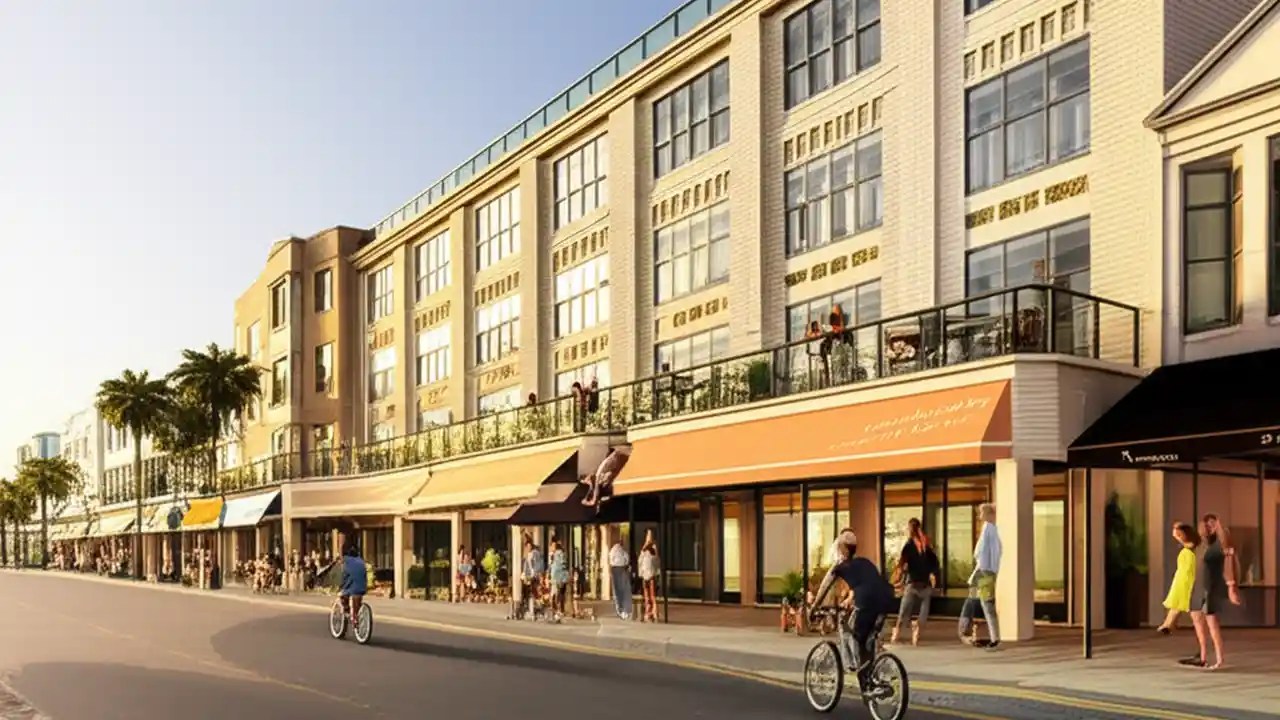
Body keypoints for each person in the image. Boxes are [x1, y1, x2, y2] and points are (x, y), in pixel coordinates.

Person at [809, 528, 896, 688]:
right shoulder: (865, 562)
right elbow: (871, 584)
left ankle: (861, 672)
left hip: (867, 603)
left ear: (842, 548)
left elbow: (824, 587)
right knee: (867, 640)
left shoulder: (840, 566)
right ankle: (870, 678)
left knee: (855, 635)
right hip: (886, 601)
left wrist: (814, 608)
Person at [1181, 514, 1242, 669]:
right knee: (1196, 619)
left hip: (1211, 587)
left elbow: (1230, 563)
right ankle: (1202, 656)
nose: (1208, 527)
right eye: (1206, 524)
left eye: (1212, 524)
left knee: (1211, 622)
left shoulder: (1222, 543)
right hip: (1198, 586)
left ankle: (1219, 659)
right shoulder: (1201, 544)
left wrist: (1231, 586)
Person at [958, 503, 1002, 648]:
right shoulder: (988, 529)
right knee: (973, 600)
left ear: (988, 514)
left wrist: (989, 570)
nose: (979, 515)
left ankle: (994, 638)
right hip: (982, 571)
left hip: (984, 572)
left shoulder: (990, 529)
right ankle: (964, 631)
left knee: (986, 603)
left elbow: (990, 551)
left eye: (981, 513)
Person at [892, 518, 940, 646]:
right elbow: (934, 562)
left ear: (910, 529)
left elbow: (902, 563)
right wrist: (933, 574)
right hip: (924, 584)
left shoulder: (909, 545)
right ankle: (917, 630)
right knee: (923, 611)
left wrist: (898, 576)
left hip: (912, 583)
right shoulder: (926, 544)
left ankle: (896, 633)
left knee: (904, 610)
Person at [1156, 522, 1199, 634]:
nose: (1177, 538)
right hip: (1181, 577)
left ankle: (1168, 625)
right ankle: (1168, 625)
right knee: (1176, 602)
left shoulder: (1192, 549)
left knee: (1180, 602)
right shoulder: (1187, 549)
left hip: (1187, 578)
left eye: (1178, 535)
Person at [339, 544, 368, 625]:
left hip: (353, 587)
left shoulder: (346, 562)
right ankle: (357, 615)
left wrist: (341, 586)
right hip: (362, 587)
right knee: (357, 600)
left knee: (343, 595)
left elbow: (345, 577)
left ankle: (347, 611)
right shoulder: (361, 561)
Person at [609, 538, 633, 620]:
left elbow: (611, 560)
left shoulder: (612, 551)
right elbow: (627, 559)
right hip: (622, 569)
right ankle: (625, 610)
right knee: (624, 589)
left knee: (617, 590)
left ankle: (620, 610)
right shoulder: (623, 551)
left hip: (615, 568)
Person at [638, 532, 660, 622]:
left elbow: (656, 560)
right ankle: (648, 612)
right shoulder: (644, 549)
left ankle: (654, 612)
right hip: (645, 575)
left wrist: (651, 550)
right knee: (646, 596)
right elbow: (640, 560)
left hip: (651, 575)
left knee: (652, 595)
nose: (648, 538)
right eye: (647, 536)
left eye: (650, 536)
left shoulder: (653, 548)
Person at [548, 540, 569, 618]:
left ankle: (558, 611)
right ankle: (559, 611)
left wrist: (557, 578)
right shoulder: (556, 554)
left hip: (558, 578)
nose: (551, 548)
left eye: (552, 546)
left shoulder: (558, 554)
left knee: (556, 595)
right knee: (558, 595)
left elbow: (559, 567)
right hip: (559, 578)